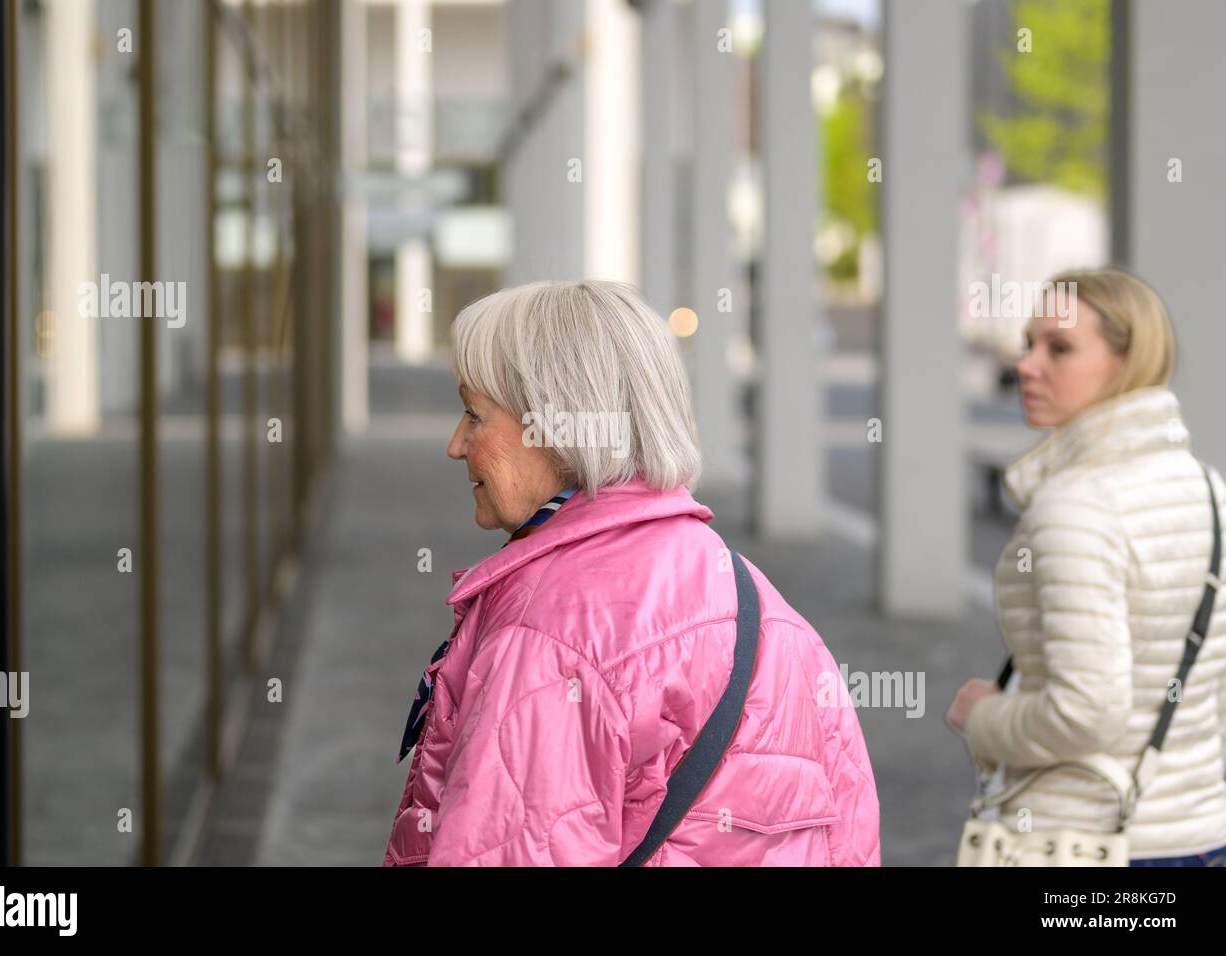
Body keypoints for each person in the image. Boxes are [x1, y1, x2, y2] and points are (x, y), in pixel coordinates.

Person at [383, 279, 880, 866]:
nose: (456, 444)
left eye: (474, 415)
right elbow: (848, 839)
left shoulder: (550, 634)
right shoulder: (758, 599)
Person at [947, 268, 1226, 865]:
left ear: (1127, 362)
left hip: (1085, 842)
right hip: (1198, 833)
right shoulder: (1207, 489)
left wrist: (984, 717)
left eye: (1060, 348)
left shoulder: (1076, 504)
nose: (1027, 365)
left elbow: (1087, 711)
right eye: (1028, 344)